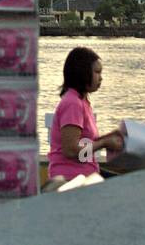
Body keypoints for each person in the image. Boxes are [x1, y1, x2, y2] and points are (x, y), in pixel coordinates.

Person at [47, 47, 123, 181]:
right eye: (97, 72)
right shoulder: (73, 103)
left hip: (85, 173)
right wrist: (104, 143)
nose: (101, 78)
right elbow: (71, 151)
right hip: (72, 178)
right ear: (83, 73)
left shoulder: (82, 102)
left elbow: (84, 144)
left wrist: (110, 137)